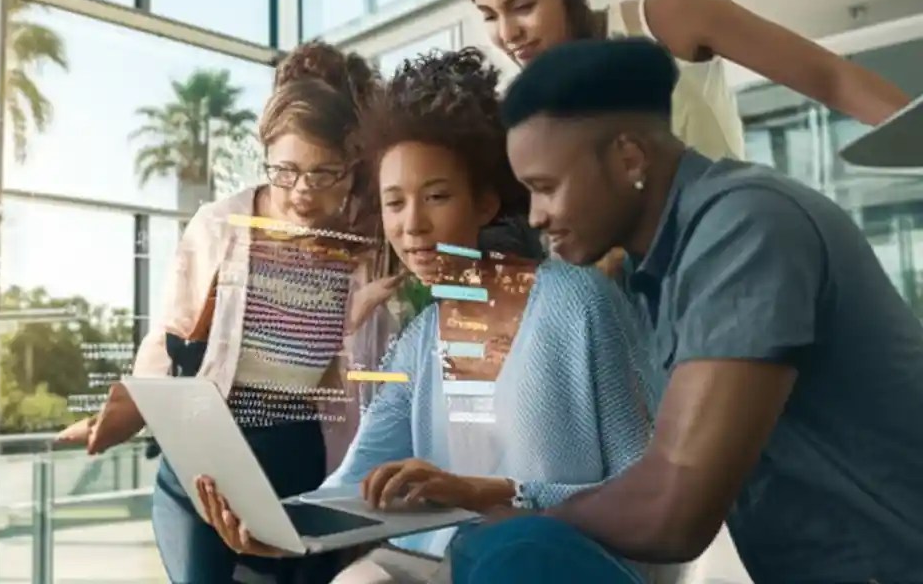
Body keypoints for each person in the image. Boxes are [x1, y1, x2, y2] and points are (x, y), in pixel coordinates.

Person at [196, 48, 677, 583]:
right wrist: (279, 529)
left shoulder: (580, 304)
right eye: (394, 203)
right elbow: (356, 481)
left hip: (553, 560)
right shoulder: (420, 342)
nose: (412, 226)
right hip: (437, 566)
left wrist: (490, 493)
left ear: (486, 202)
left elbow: (649, 489)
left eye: (437, 196)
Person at [453, 37, 923, 583]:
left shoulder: (747, 228)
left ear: (629, 157)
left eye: (545, 188)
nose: (535, 216)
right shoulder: (655, 268)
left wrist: (528, 522)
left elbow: (673, 508)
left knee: (509, 553)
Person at [56, 41, 401, 583]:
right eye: (285, 171)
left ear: (350, 165)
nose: (302, 191)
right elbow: (171, 333)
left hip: (300, 463)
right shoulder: (221, 225)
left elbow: (367, 383)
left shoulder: (366, 248)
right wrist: (128, 408)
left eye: (323, 173)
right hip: (207, 457)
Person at [466, 0, 912, 160]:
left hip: (743, 263)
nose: (508, 33)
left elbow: (826, 76)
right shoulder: (535, 113)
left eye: (523, 6)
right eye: (489, 16)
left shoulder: (667, 18)